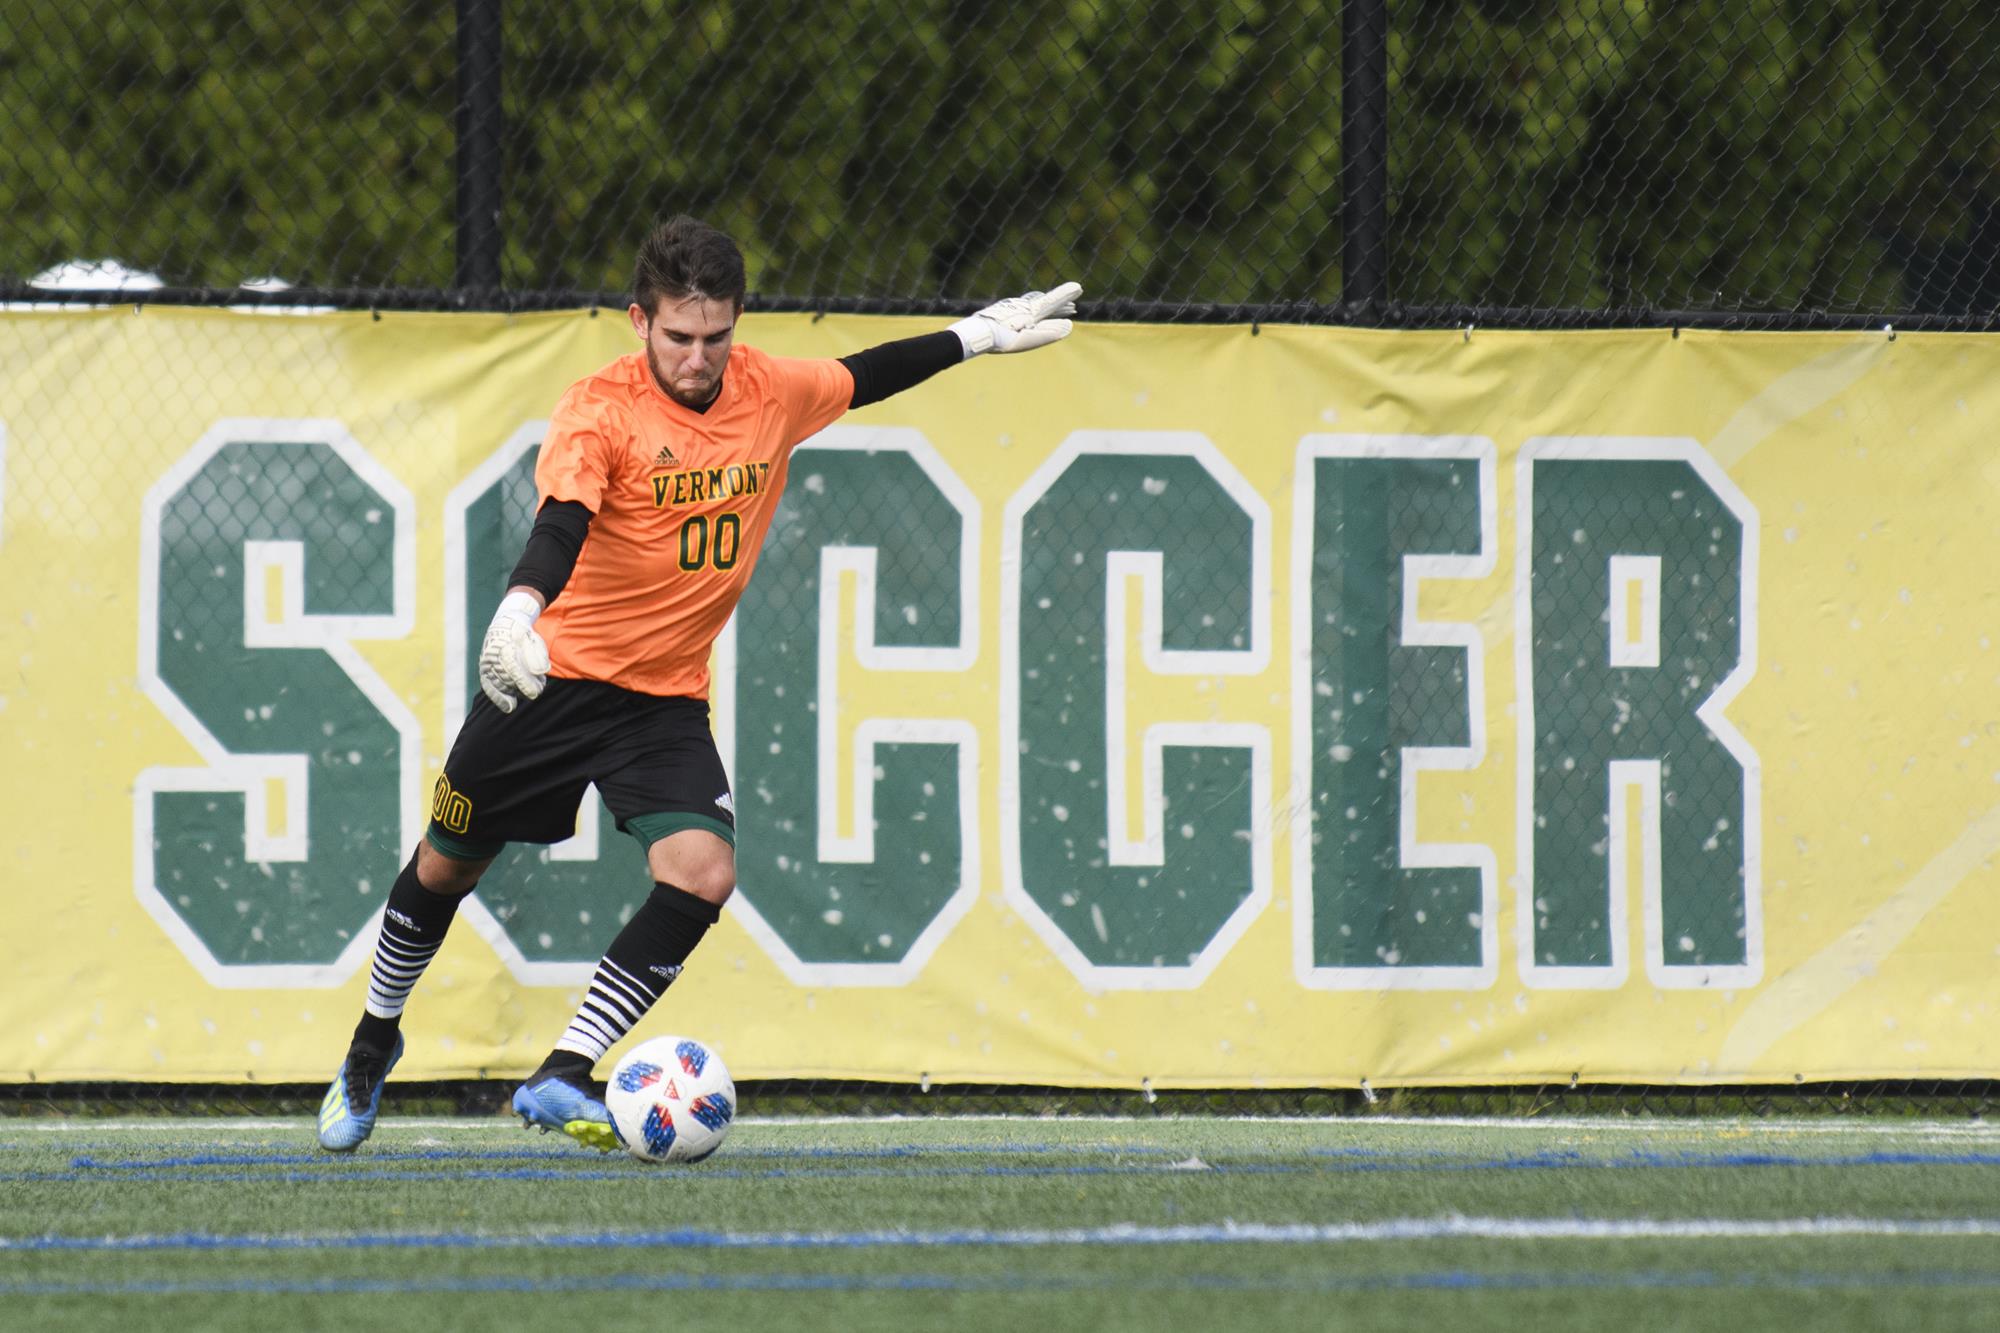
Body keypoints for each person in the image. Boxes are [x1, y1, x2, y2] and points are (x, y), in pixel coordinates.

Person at [317, 214, 1079, 1152]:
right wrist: (519, 609)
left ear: (738, 323)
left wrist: (978, 334)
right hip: (552, 680)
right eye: (678, 336)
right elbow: (560, 519)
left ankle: (564, 1071)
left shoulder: (770, 391)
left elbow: (868, 373)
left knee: (704, 871)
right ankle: (371, 1040)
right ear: (640, 321)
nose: (697, 355)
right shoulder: (600, 408)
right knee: (446, 866)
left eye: (716, 335)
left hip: (662, 699)